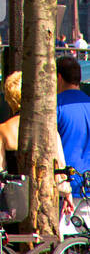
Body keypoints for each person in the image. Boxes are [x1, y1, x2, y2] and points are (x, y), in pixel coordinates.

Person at [56, 56, 90, 231]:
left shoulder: (56, 106)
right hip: (87, 184)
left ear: (59, 77)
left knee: (68, 249)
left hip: (68, 184)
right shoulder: (87, 103)